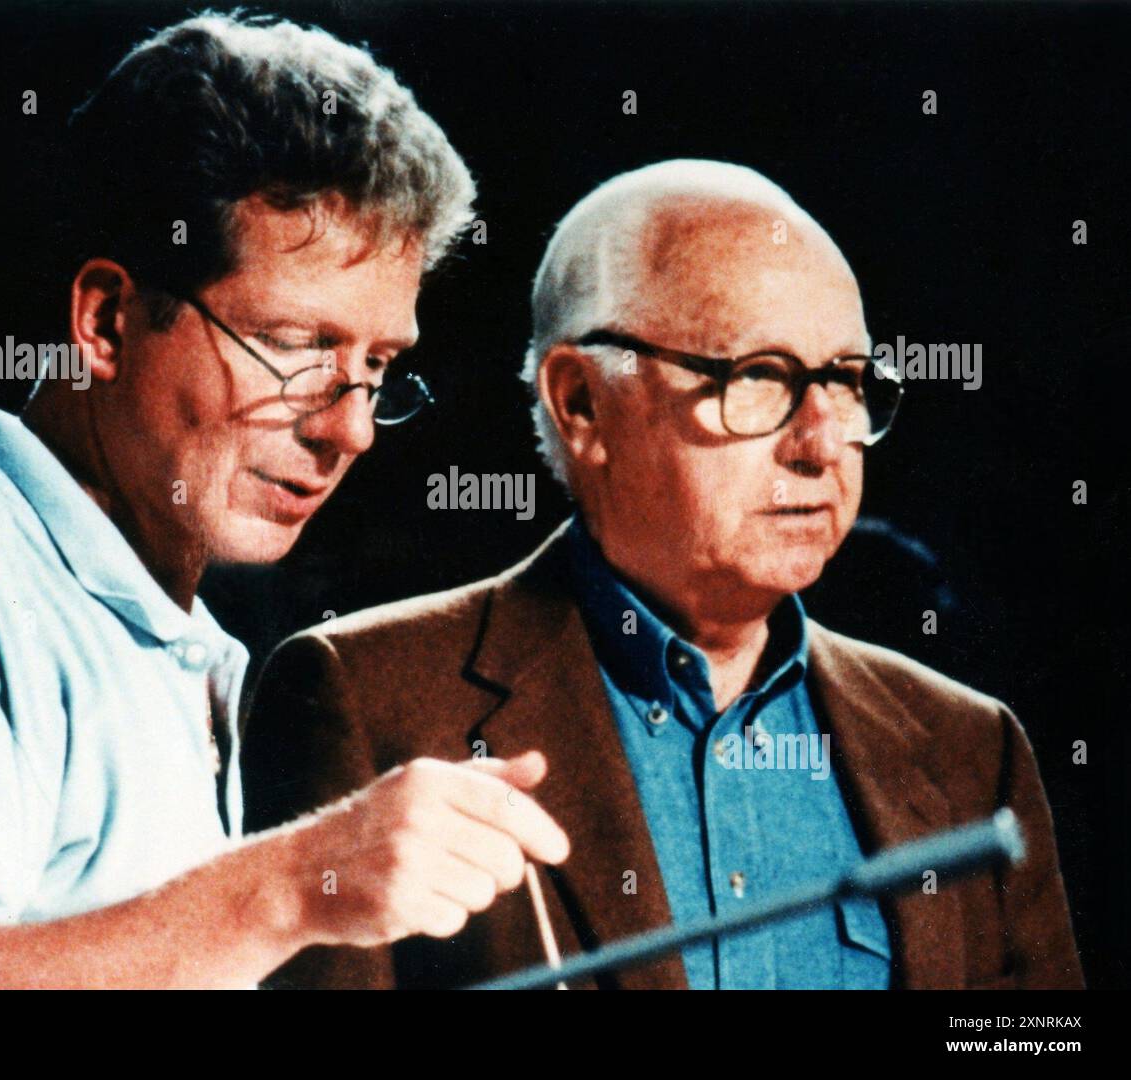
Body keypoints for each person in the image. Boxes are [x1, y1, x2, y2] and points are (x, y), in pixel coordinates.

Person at [0, 12, 568, 991]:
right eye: (295, 347)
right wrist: (297, 883)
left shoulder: (170, 627)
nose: (346, 430)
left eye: (377, 366)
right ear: (104, 321)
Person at [244, 159, 1083, 989]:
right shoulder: (365, 700)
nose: (824, 445)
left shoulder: (971, 748)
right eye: (760, 377)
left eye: (847, 382)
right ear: (581, 404)